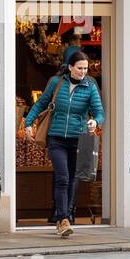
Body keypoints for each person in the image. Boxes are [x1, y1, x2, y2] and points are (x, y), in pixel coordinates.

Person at [25, 47, 105, 237]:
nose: (83, 72)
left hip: (79, 139)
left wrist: (95, 121)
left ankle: (66, 215)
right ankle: (63, 219)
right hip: (57, 138)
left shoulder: (90, 86)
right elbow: (41, 103)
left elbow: (100, 112)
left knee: (73, 179)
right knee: (62, 177)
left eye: (86, 69)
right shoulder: (56, 82)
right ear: (70, 67)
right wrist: (29, 122)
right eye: (80, 68)